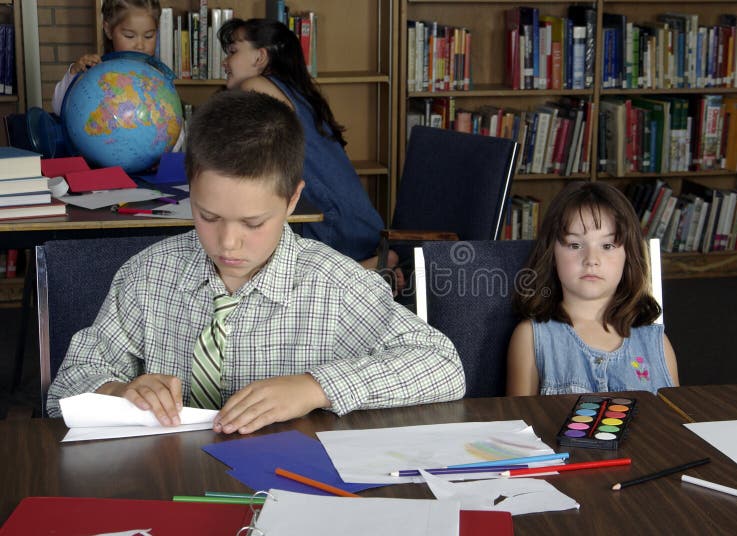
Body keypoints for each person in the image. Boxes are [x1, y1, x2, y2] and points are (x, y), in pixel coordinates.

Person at [46, 90, 466, 434]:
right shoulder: (147, 275)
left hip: (290, 483)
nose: (228, 242)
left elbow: (443, 367)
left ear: (293, 200)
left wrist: (315, 387)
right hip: (168, 478)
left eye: (253, 222)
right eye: (208, 216)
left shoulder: (334, 284)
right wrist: (120, 391)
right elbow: (67, 383)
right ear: (189, 190)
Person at [216, 17, 395, 272]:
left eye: (233, 52)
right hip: (356, 221)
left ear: (260, 57)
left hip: (330, 224)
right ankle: (369, 266)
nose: (225, 62)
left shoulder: (254, 86)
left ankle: (362, 271)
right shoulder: (294, 91)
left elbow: (246, 159)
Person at [506, 181, 679, 396]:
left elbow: (672, 424)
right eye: (575, 245)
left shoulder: (658, 344)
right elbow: (517, 424)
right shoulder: (531, 338)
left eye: (607, 246)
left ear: (629, 256)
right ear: (551, 254)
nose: (591, 260)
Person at [52, 0, 160, 116]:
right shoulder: (95, 72)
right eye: (130, 36)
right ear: (108, 30)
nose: (140, 46)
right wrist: (73, 74)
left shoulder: (158, 78)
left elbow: (171, 121)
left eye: (149, 36)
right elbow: (59, 108)